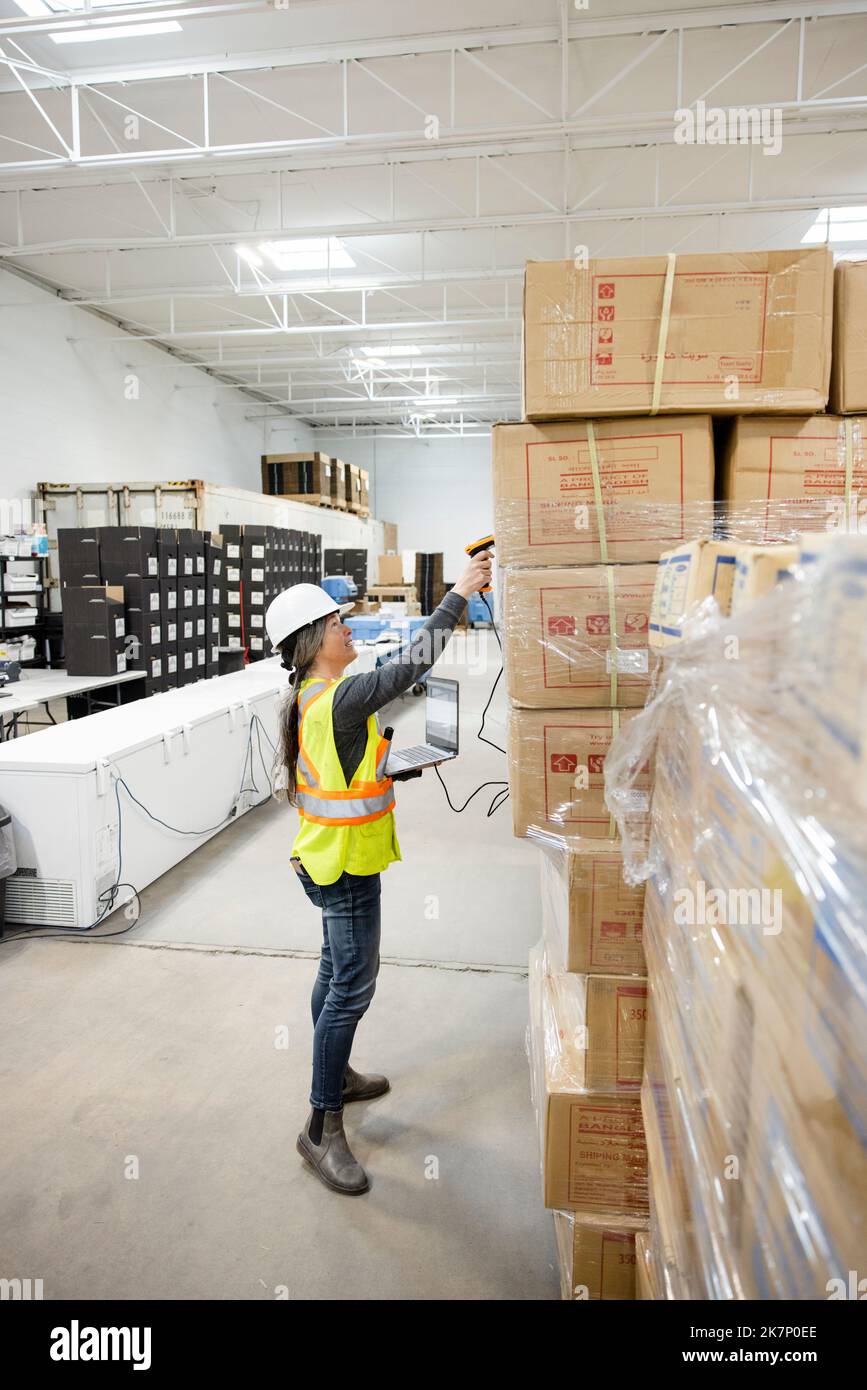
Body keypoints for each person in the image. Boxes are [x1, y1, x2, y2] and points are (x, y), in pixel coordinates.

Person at [265, 548, 493, 1196]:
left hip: (325, 858)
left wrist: (395, 767)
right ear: (312, 642)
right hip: (345, 868)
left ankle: (334, 1080)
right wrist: (458, 594)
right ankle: (320, 1125)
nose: (349, 629)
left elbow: (343, 769)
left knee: (334, 973)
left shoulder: (316, 697)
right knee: (351, 988)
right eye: (338, 624)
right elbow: (410, 664)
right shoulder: (335, 697)